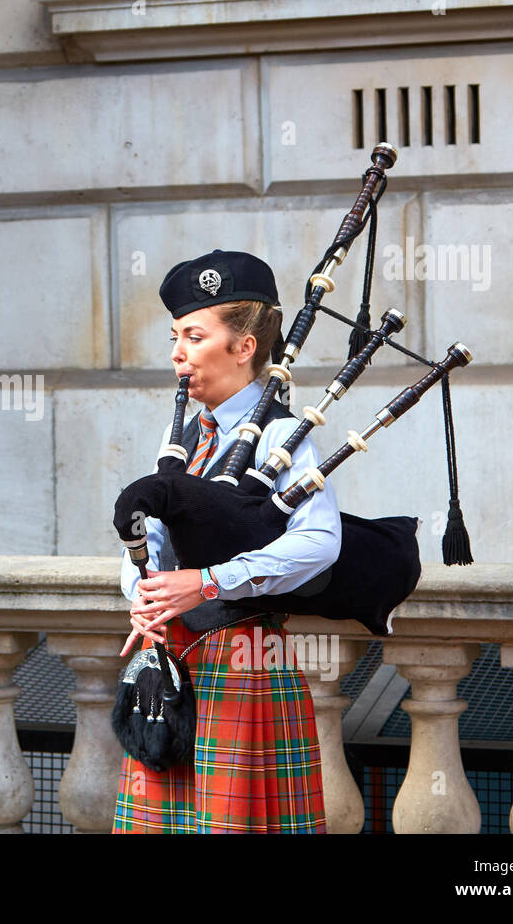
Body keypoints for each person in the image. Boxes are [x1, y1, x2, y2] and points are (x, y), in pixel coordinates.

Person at [113, 250, 340, 834]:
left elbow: (319, 541)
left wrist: (209, 581)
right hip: (171, 664)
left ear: (243, 346)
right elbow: (150, 539)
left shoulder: (281, 434)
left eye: (194, 335)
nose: (177, 353)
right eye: (174, 337)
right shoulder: (180, 434)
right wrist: (143, 594)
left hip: (244, 662)